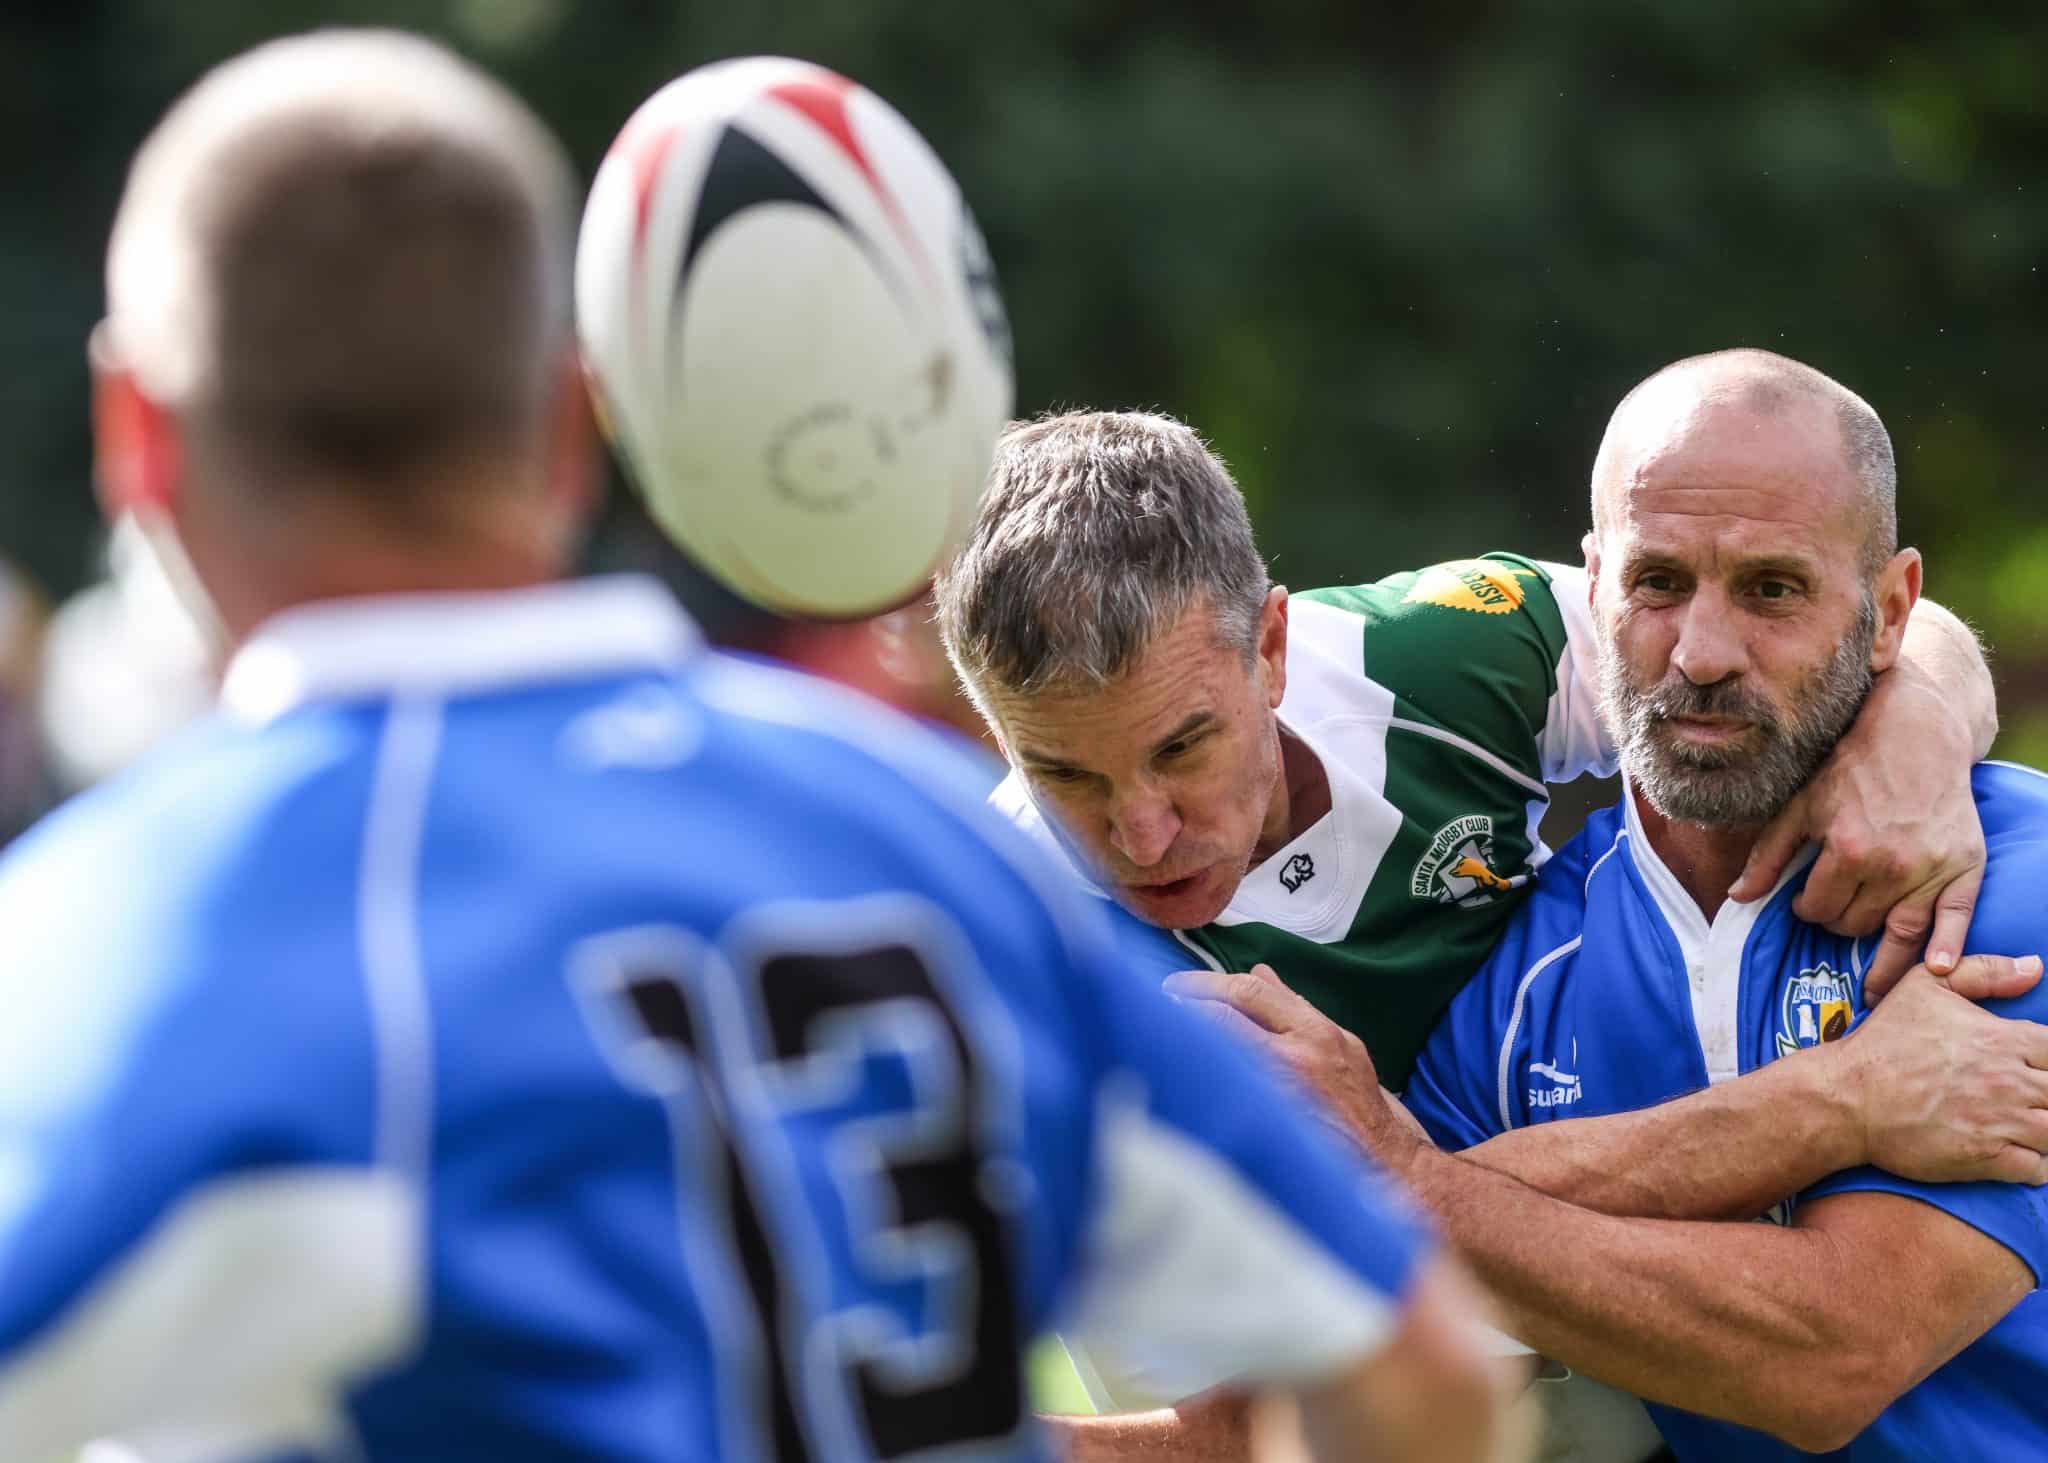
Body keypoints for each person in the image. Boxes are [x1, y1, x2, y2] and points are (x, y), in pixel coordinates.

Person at [0, 31, 1514, 1463]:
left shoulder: (141, 919)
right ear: (579, 423)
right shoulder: (914, 831)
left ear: (134, 430)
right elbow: (1423, 1369)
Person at [932, 408, 2043, 1453]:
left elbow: (1814, 631)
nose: (1139, 831)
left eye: (1182, 748)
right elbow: (1248, 1431)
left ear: (1270, 644)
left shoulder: (1448, 652)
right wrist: (1843, 1098)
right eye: (1063, 773)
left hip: (1521, 1224)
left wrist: (1917, 732)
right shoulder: (1017, 959)